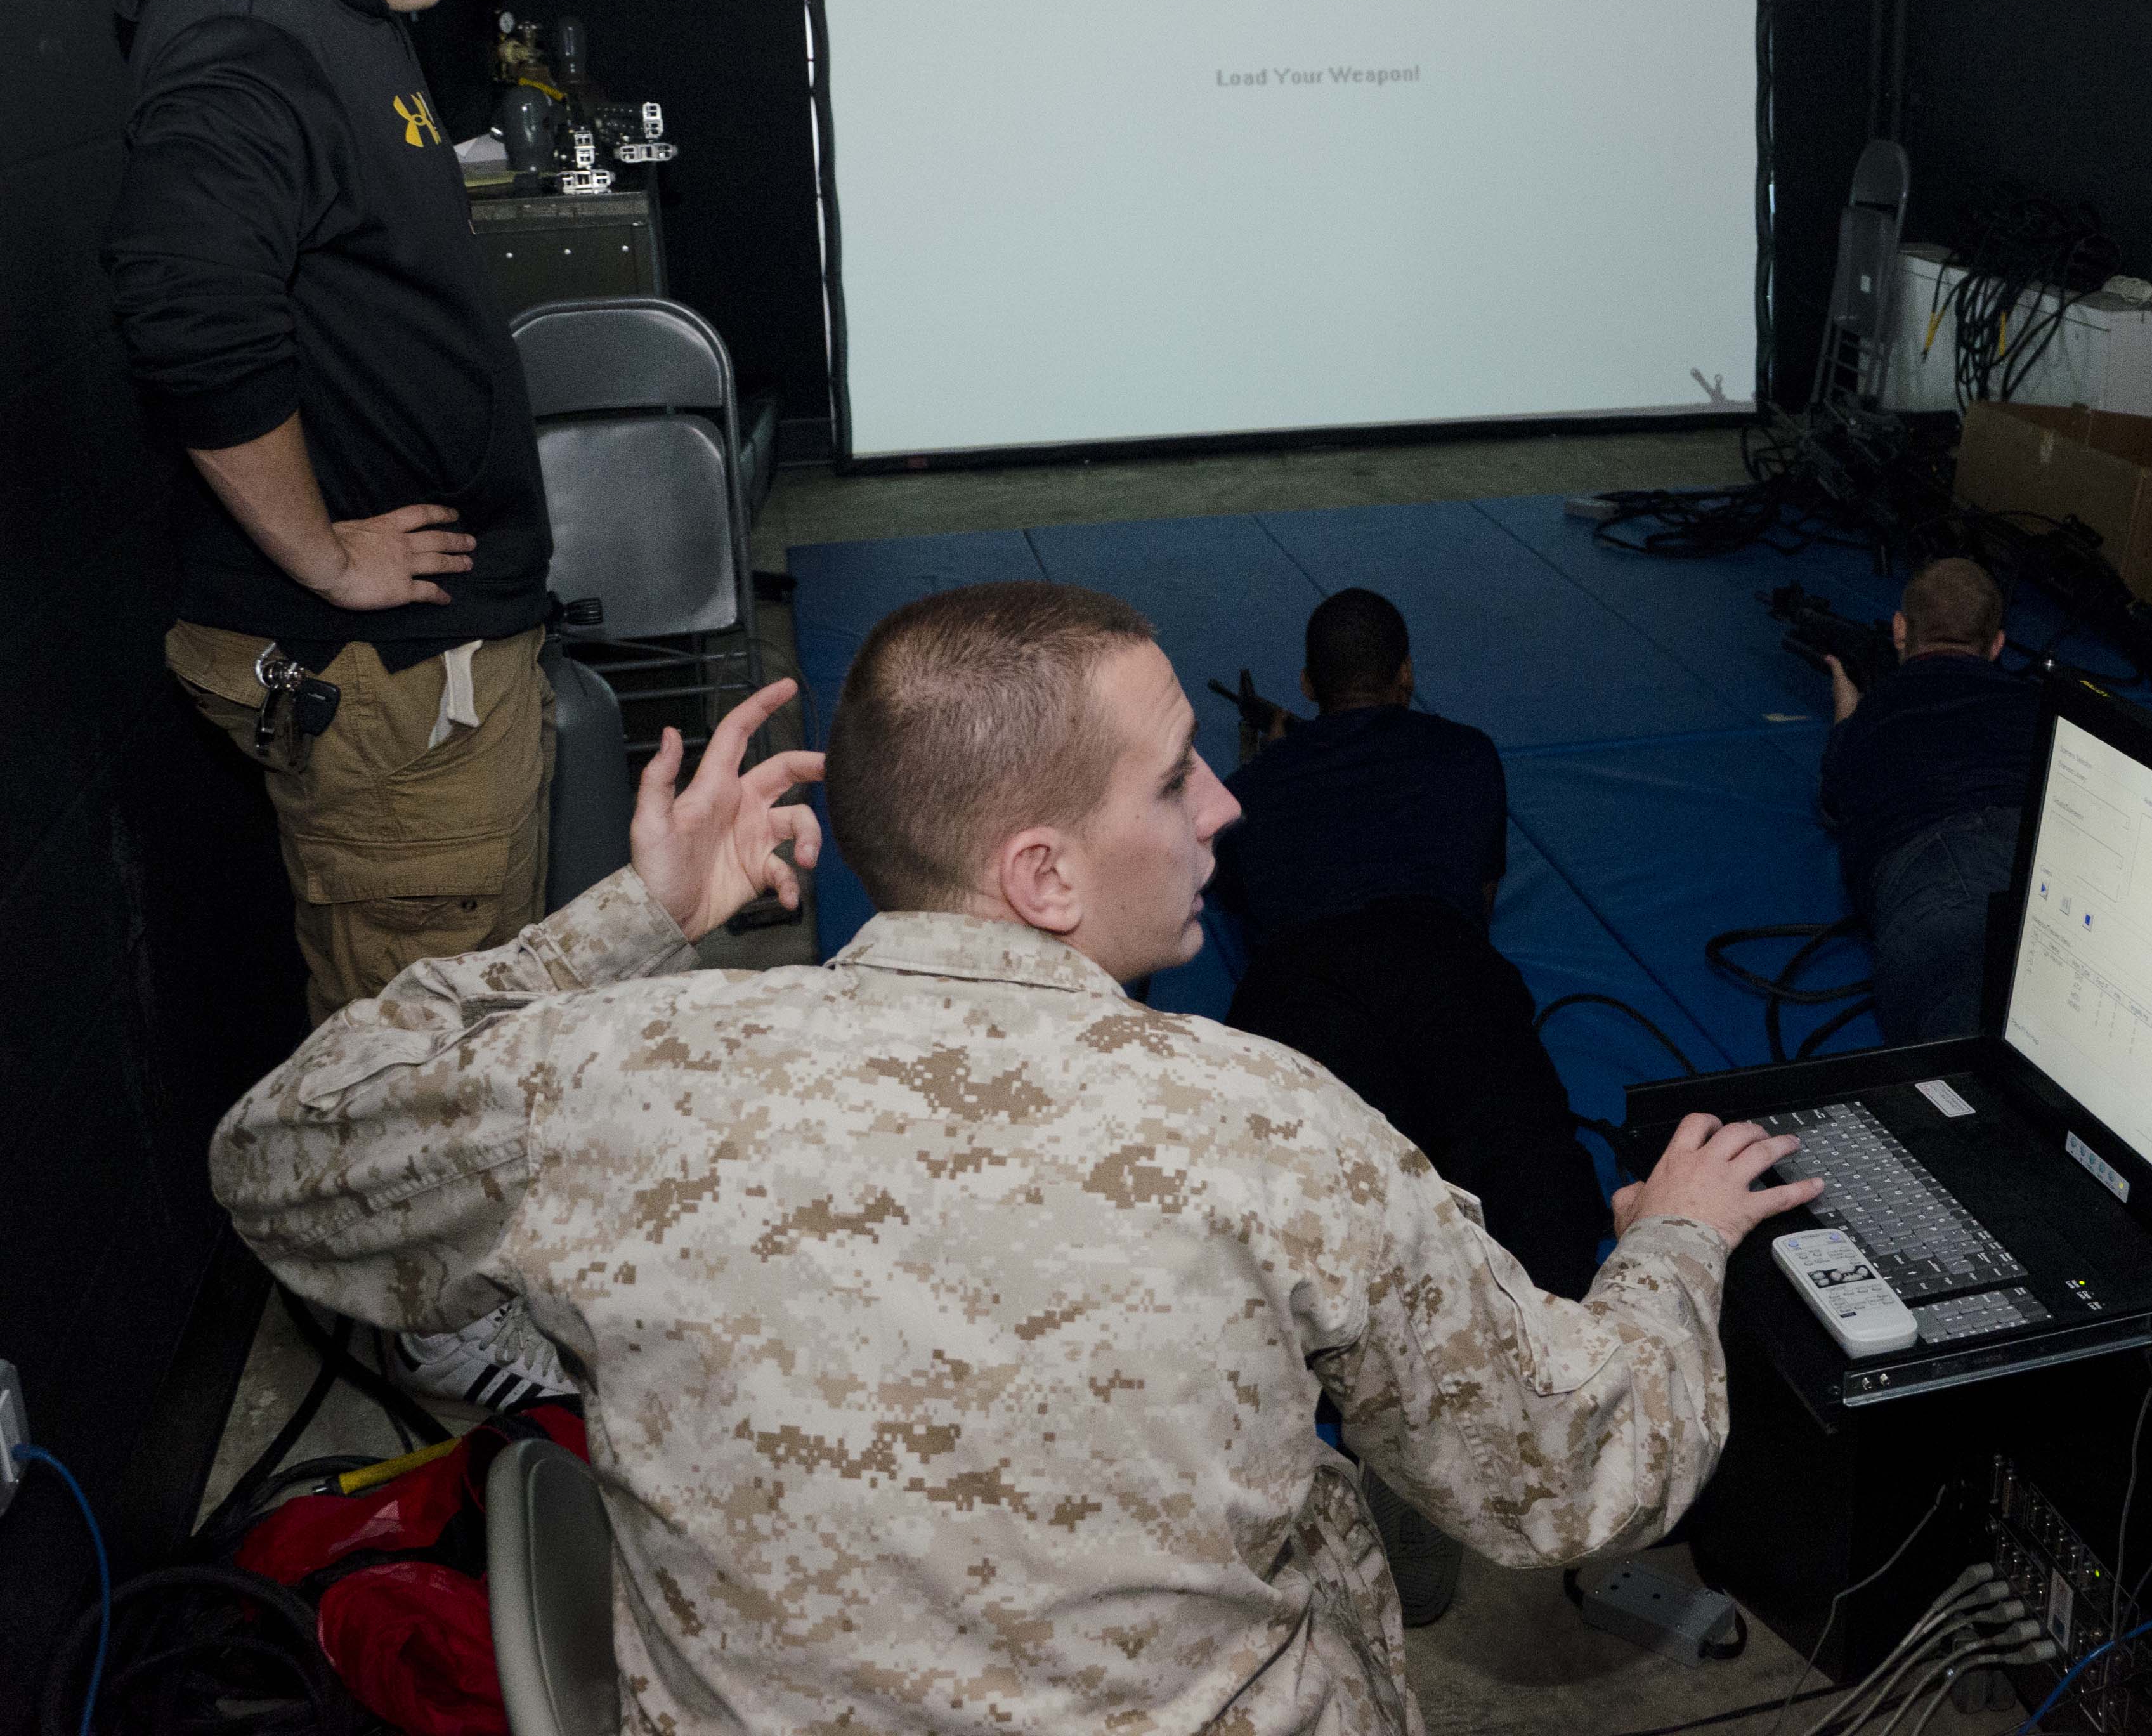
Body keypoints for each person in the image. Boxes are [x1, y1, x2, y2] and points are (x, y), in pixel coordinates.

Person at [208, 582, 1823, 1733]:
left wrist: (645, 916)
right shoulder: (1274, 1131)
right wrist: (1674, 1246)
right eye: (1176, 775)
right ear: (1044, 874)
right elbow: (1579, 1474)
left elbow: (281, 1159)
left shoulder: (619, 1079)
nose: (1227, 807)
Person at [108, 0, 566, 1408]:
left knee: (441, 977)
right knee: (418, 1012)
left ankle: (450, 1270)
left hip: (406, 667)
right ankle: (443, 1331)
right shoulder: (255, 25)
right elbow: (187, 307)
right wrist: (323, 558)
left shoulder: (328, 20)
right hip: (380, 674)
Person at [1215, 589, 1611, 1303]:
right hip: (1442, 961)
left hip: (1299, 984)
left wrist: (1273, 767)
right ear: (1405, 674)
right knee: (1532, 1185)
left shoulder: (1248, 792)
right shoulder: (1466, 754)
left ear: (1308, 684)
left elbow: (1243, 903)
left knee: (1319, 1214)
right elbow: (1477, 902)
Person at [1819, 558, 2047, 1045]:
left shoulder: (1873, 714)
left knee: (1965, 1069)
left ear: (1900, 629)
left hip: (1937, 877)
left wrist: (1845, 718)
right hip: (2046, 861)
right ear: (1997, 645)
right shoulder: (2037, 706)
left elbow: (1835, 798)